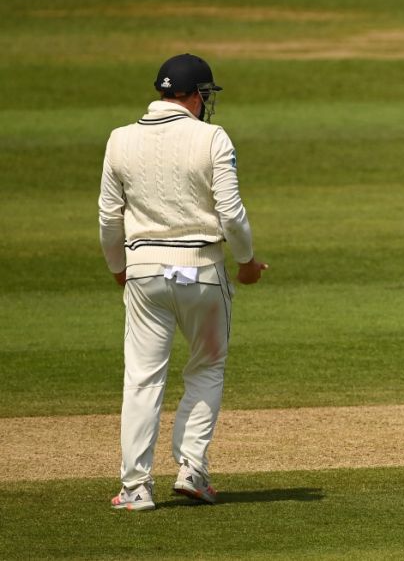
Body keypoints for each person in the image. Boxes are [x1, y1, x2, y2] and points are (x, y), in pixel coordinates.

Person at [99, 53, 268, 511]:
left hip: (144, 271)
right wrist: (247, 262)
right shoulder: (212, 138)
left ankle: (135, 488)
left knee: (142, 378)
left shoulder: (119, 139)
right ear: (194, 96)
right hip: (202, 272)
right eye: (204, 95)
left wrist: (118, 267)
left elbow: (109, 218)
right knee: (207, 367)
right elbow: (231, 213)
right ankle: (192, 470)